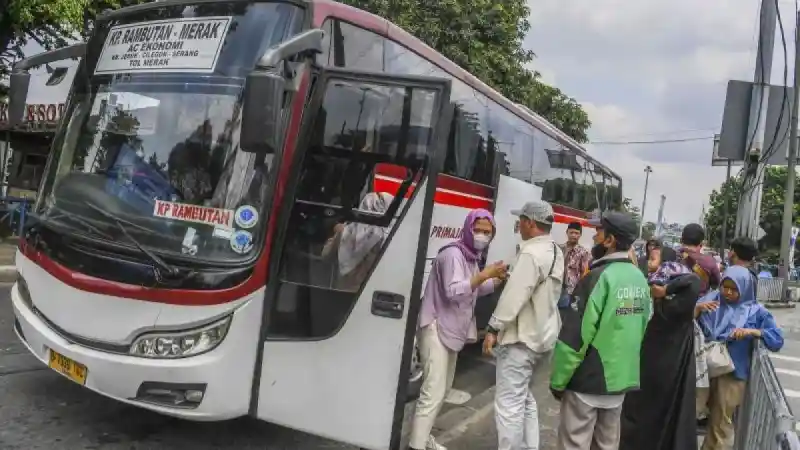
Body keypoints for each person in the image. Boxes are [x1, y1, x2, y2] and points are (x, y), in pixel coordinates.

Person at [550, 211, 651, 450]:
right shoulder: (639, 278)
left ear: (610, 240)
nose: (594, 236)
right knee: (607, 445)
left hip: (588, 380)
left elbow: (575, 337)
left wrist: (558, 380)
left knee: (574, 443)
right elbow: (643, 325)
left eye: (599, 231)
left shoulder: (597, 277)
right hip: (620, 381)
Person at [409, 209, 507, 450]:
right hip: (436, 326)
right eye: (479, 229)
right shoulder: (453, 254)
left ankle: (423, 438)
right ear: (468, 228)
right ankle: (416, 445)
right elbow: (455, 291)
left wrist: (497, 279)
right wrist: (485, 274)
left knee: (442, 389)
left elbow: (475, 288)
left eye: (488, 231)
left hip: (451, 328)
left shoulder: (470, 256)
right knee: (433, 390)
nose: (483, 235)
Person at [482, 200, 564, 450]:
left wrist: (493, 328)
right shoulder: (555, 250)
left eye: (521, 220)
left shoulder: (530, 253)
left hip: (521, 341)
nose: (518, 224)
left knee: (509, 406)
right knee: (526, 400)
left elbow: (514, 298)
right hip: (544, 338)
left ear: (530, 222)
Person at [619, 250, 702, 450]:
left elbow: (694, 281)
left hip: (658, 369)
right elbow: (623, 309)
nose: (648, 261)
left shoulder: (669, 304)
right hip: (655, 369)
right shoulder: (669, 304)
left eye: (653, 257)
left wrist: (665, 290)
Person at [695, 265, 784, 450]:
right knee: (693, 415)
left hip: (732, 375)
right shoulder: (710, 302)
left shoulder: (756, 312)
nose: (727, 292)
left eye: (734, 289)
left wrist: (754, 331)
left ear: (744, 288)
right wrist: (696, 310)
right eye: (724, 287)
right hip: (703, 370)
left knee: (721, 423)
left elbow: (777, 340)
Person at [322, 192, 394, 291]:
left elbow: (325, 256)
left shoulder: (346, 230)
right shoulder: (391, 240)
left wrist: (338, 235)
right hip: (369, 295)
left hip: (342, 292)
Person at [679, 223, 721, 296]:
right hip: (700, 303)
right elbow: (716, 284)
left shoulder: (674, 256)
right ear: (701, 243)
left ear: (681, 240)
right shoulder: (709, 262)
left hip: (676, 303)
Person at [559, 222, 591, 310]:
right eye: (571, 232)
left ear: (580, 235)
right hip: (557, 288)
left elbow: (584, 274)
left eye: (576, 233)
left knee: (567, 318)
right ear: (567, 232)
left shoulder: (583, 253)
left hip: (572, 292)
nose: (573, 235)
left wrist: (579, 293)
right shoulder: (560, 249)